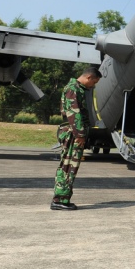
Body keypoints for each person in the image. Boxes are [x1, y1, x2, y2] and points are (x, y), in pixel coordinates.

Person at [51, 65, 102, 211]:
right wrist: (79, 134)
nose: (94, 85)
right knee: (68, 166)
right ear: (89, 77)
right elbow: (74, 113)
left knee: (70, 166)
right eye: (94, 82)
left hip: (74, 133)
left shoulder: (78, 89)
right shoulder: (73, 89)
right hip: (72, 133)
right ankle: (59, 199)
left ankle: (63, 198)